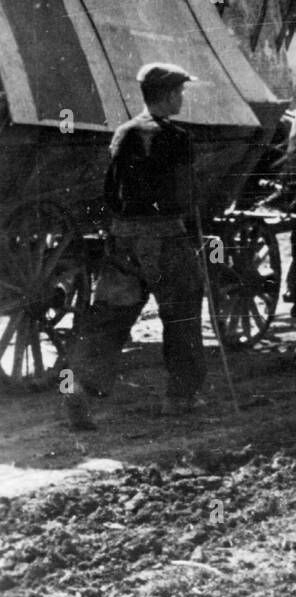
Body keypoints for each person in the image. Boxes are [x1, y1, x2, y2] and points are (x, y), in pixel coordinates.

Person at [64, 63, 206, 430]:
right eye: (181, 92)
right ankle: (181, 397)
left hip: (124, 238)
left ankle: (78, 383)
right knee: (183, 312)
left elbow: (109, 190)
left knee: (110, 315)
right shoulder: (178, 138)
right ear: (170, 95)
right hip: (166, 239)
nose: (183, 98)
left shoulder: (123, 133)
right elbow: (187, 195)